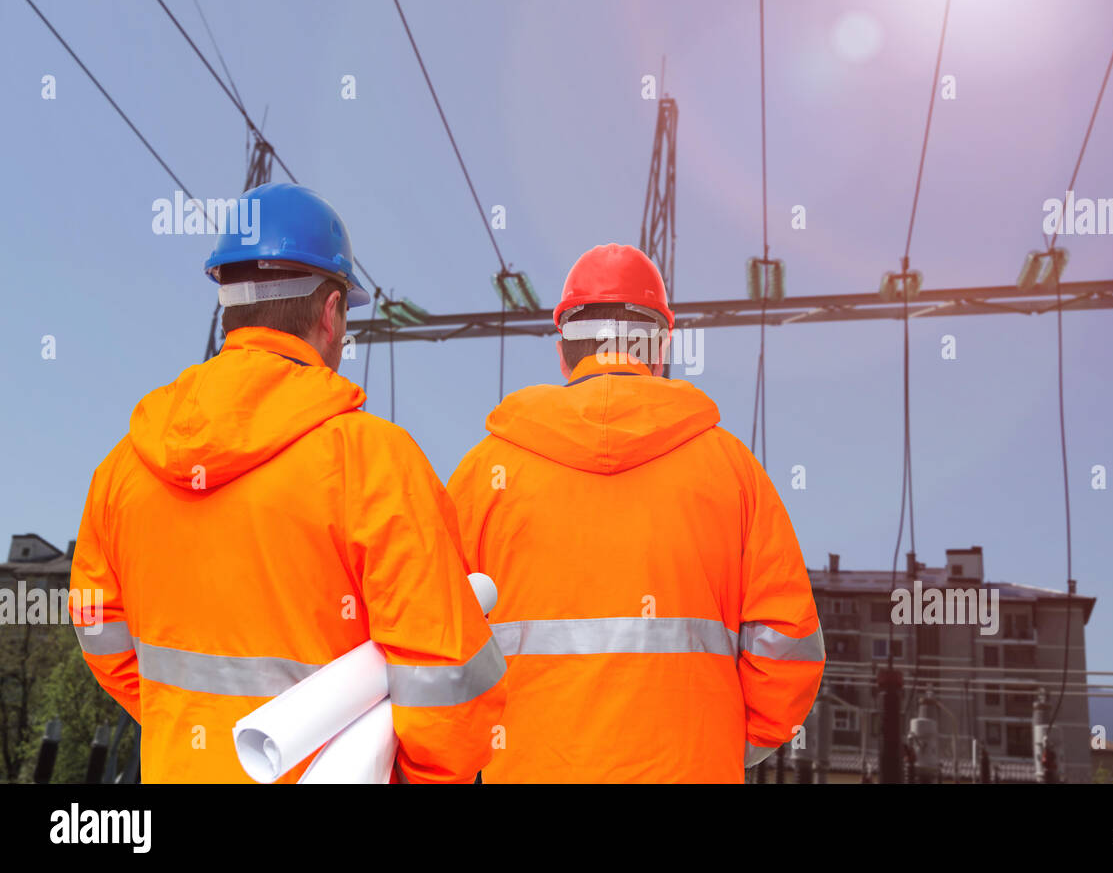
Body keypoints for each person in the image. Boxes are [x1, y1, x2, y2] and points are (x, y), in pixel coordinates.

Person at [70, 183, 505, 783]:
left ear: (228, 305)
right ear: (330, 312)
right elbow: (446, 678)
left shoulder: (124, 469)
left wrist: (192, 730)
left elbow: (98, 628)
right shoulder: (374, 462)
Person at [447, 243, 823, 782]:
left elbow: (435, 645)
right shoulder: (732, 470)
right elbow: (788, 645)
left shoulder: (485, 473)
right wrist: (722, 743)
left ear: (563, 351)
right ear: (661, 345)